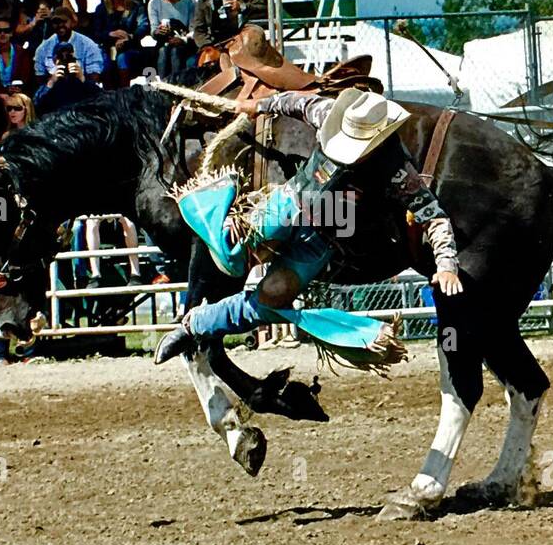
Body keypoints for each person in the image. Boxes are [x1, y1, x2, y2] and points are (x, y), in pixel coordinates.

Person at [155, 89, 462, 363]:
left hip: (324, 235)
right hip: (289, 202)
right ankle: (215, 199)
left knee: (272, 296)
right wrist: (259, 105)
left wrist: (446, 264)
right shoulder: (328, 113)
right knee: (232, 249)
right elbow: (294, 102)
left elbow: (433, 215)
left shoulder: (395, 167)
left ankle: (194, 325)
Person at [90, 0, 149, 88]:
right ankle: (108, 98)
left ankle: (124, 95)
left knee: (122, 58)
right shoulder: (101, 8)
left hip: (132, 49)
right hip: (107, 49)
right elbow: (96, 33)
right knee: (104, 61)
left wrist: (129, 37)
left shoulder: (136, 7)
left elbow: (144, 26)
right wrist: (111, 34)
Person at [146, 0, 196, 78]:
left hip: (185, 43)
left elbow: (193, 30)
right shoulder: (154, 3)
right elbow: (153, 30)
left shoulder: (190, 2)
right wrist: (158, 32)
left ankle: (176, 87)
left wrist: (182, 39)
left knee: (175, 52)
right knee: (163, 51)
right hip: (163, 43)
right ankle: (164, 89)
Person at [33, 5, 103, 85]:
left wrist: (81, 77)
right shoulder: (42, 49)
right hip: (54, 92)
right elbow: (40, 81)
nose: (60, 25)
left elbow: (94, 80)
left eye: (64, 21)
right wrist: (52, 80)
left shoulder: (88, 45)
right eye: (56, 22)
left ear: (72, 22)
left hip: (82, 90)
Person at [0, 15, 35, 96]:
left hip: (19, 95)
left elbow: (27, 76)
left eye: (6, 31)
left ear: (11, 33)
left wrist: (17, 89)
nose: (2, 34)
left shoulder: (22, 52)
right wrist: (4, 90)